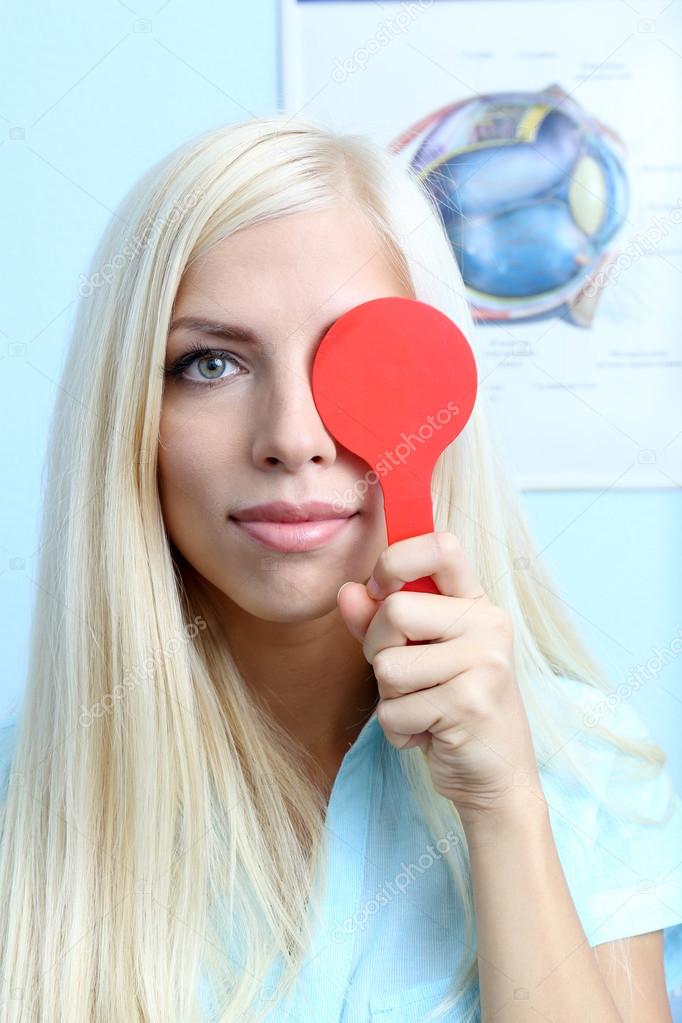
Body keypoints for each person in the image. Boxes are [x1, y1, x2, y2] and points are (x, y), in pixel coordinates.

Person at [0, 113, 680, 1022]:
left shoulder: (582, 764)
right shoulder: (25, 791)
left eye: (348, 357)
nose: (291, 437)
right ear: (132, 414)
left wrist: (506, 805)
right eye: (210, 362)